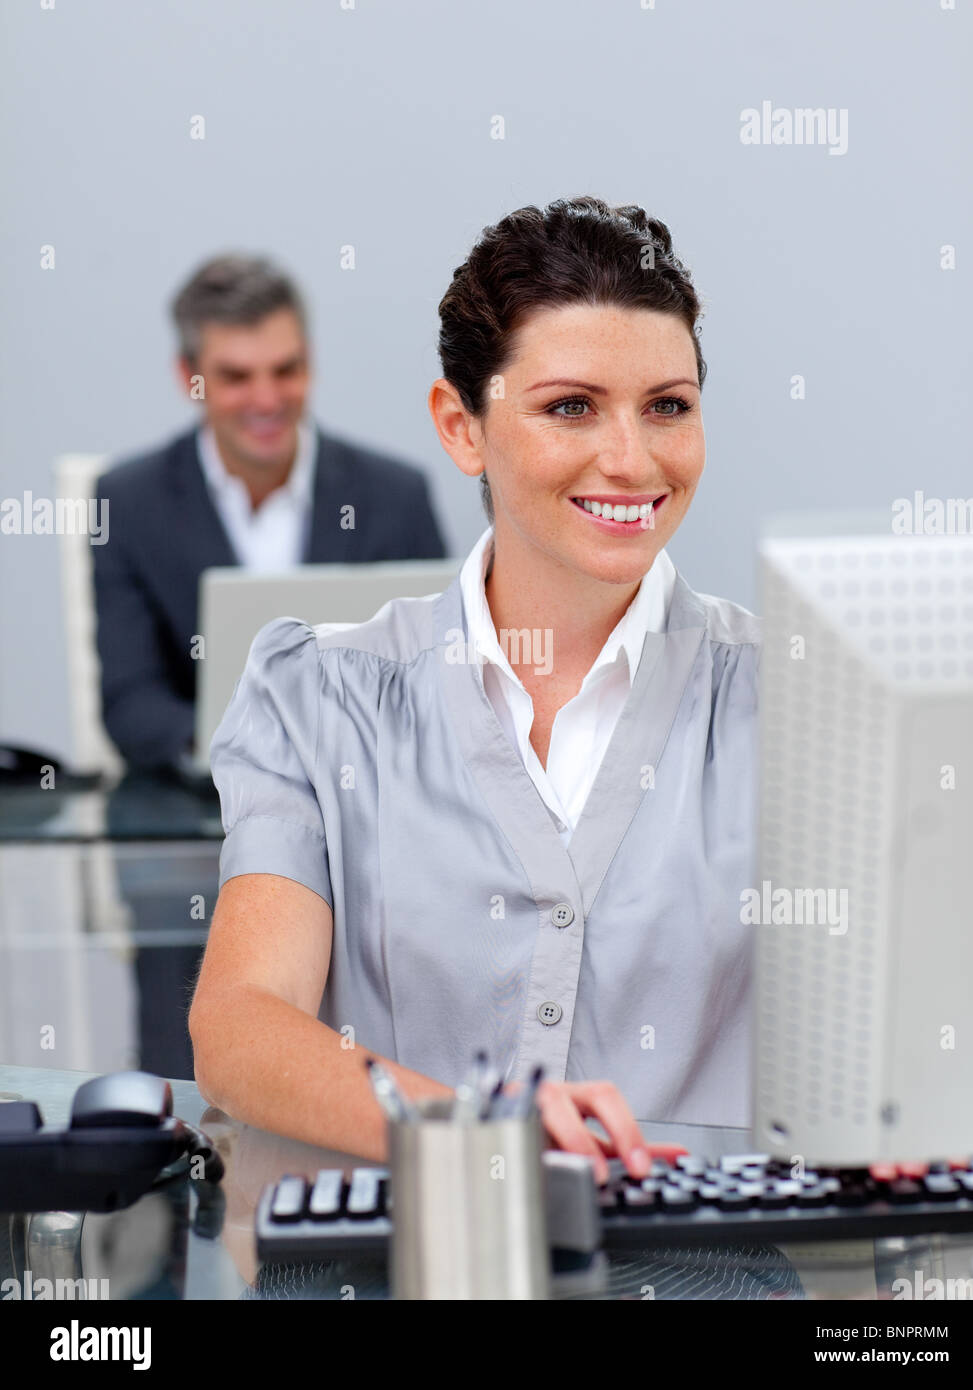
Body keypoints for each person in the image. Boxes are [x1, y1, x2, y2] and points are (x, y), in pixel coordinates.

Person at [189, 197, 760, 1182]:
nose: (631, 458)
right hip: (405, 1270)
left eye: (667, 404)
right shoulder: (320, 696)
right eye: (571, 406)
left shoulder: (799, 704)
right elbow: (241, 1027)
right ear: (462, 427)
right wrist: (482, 1135)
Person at [93, 254, 447, 772]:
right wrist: (249, 752)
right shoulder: (128, 502)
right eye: (237, 377)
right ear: (188, 377)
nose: (266, 400)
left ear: (311, 361)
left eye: (286, 371)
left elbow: (430, 679)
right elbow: (130, 702)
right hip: (204, 805)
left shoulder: (396, 496)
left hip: (363, 793)